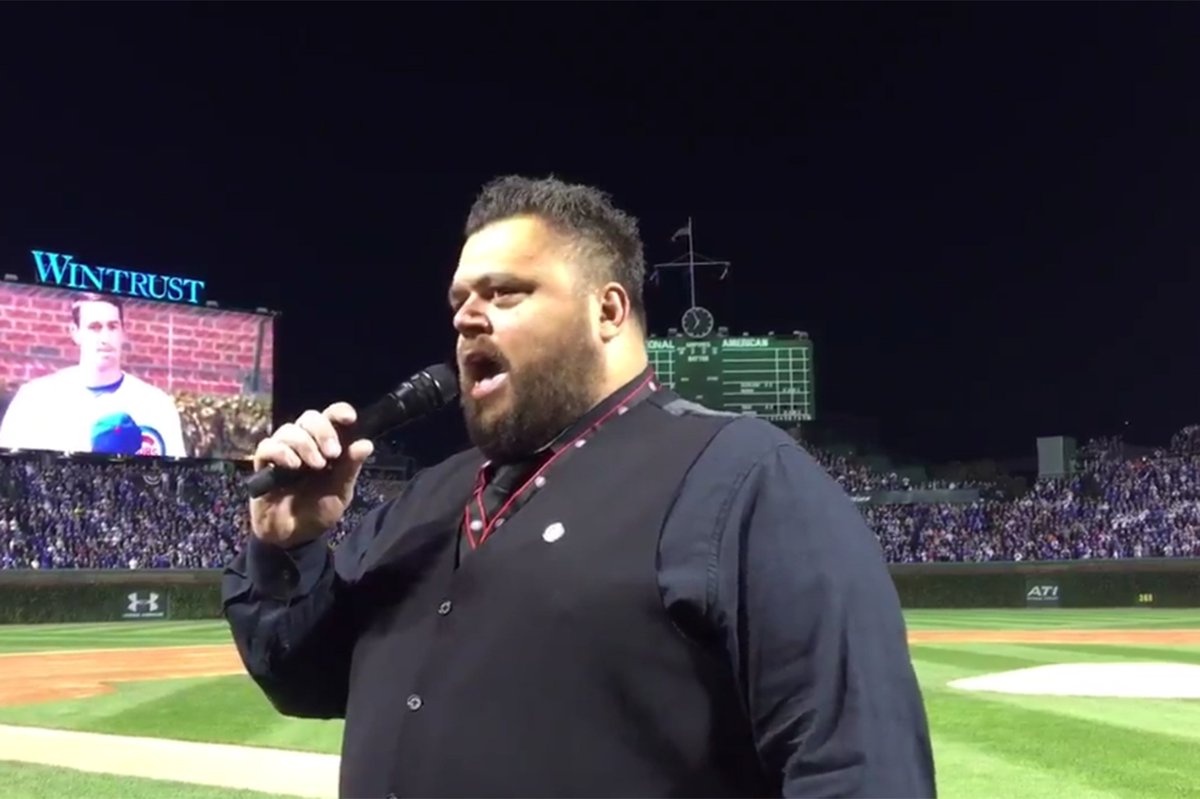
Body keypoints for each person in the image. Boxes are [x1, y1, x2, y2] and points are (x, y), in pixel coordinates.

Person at [222, 175, 937, 798]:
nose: (467, 316)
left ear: (609, 311)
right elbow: (303, 679)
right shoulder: (428, 500)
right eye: (460, 298)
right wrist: (288, 546)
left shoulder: (745, 479)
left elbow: (858, 769)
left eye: (505, 292)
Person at [0, 293, 187, 457]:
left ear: (123, 331)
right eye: (94, 327)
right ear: (76, 333)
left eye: (112, 327)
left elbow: (174, 484)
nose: (105, 338)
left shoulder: (156, 404)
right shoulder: (34, 399)